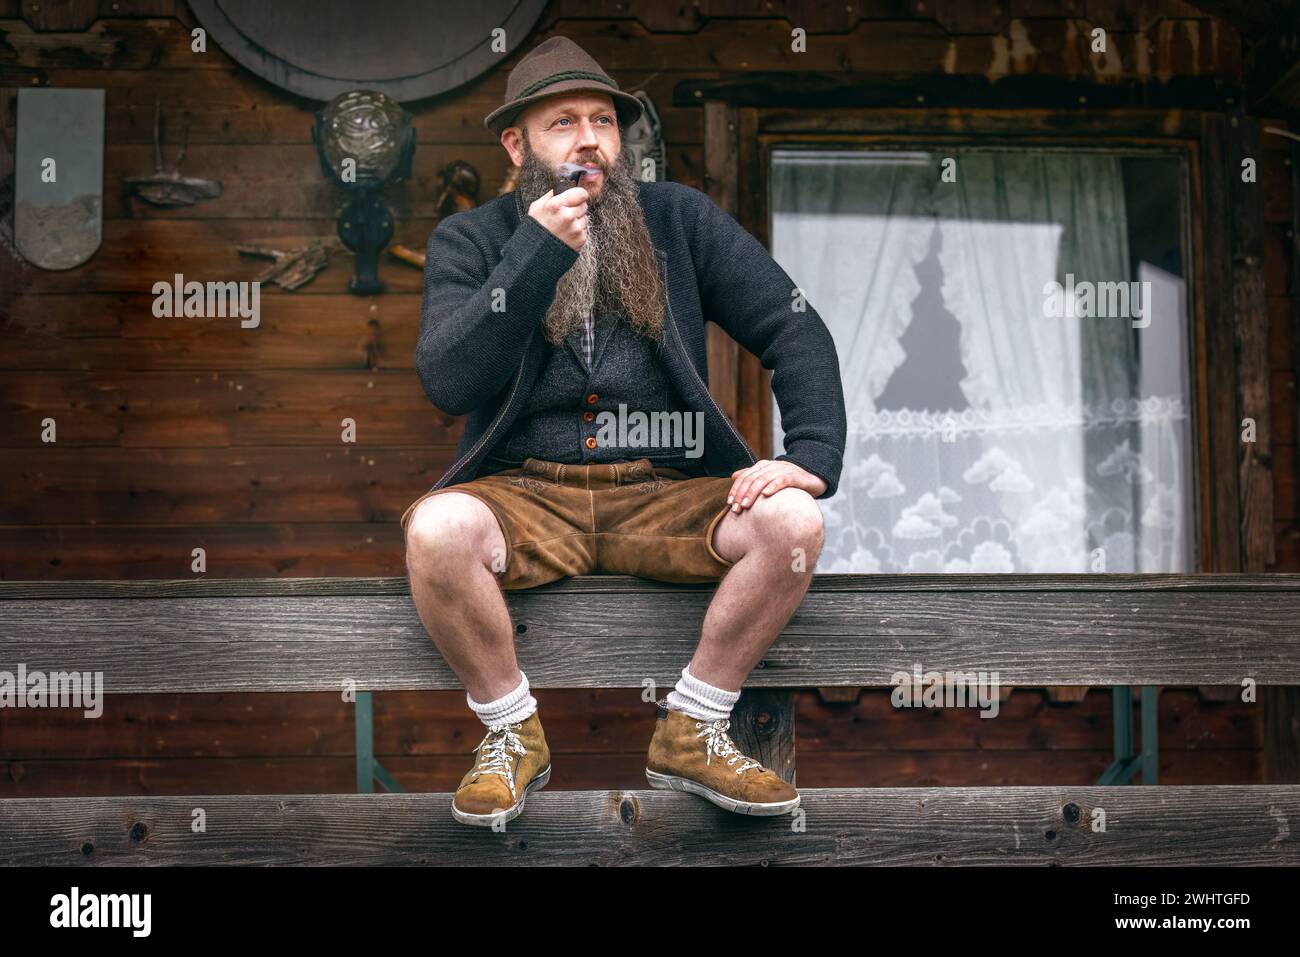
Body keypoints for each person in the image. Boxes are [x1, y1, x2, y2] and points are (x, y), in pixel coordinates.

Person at [402, 36, 847, 827]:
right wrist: (534, 254)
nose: (589, 141)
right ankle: (511, 735)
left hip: (663, 489)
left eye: (603, 121)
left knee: (794, 522)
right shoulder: (471, 240)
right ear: (517, 145)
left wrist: (809, 455)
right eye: (563, 123)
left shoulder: (677, 218)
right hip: (526, 494)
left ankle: (694, 724)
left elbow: (796, 326)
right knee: (436, 529)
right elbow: (448, 380)